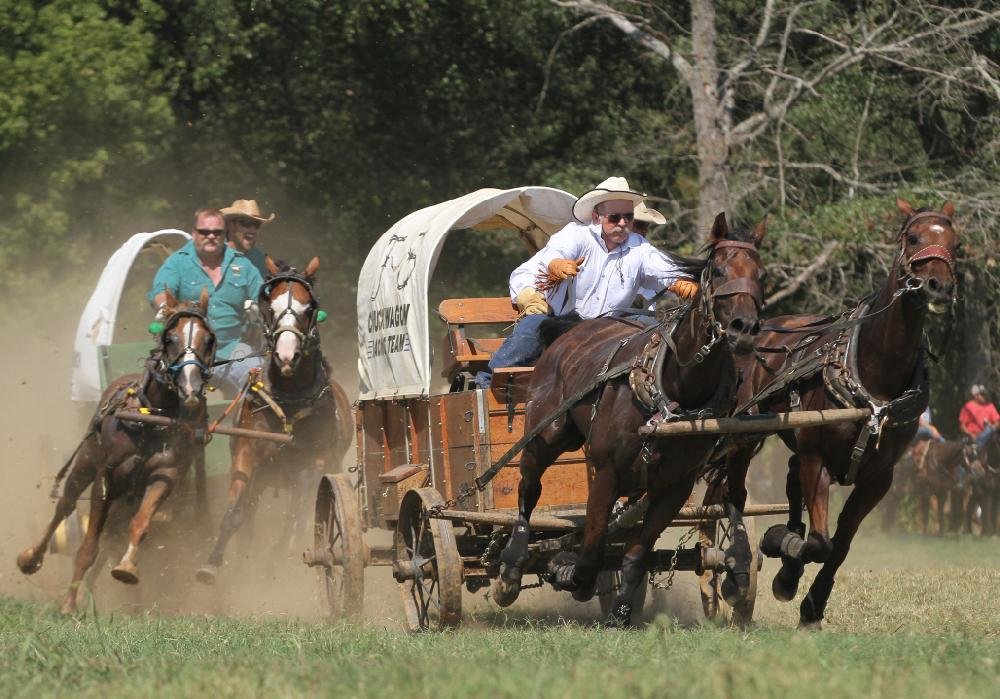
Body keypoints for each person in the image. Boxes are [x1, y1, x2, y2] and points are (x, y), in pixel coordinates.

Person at [474, 177, 698, 388]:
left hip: (610, 325)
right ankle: (486, 383)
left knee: (653, 329)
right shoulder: (577, 235)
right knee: (532, 328)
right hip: (563, 322)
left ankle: (655, 389)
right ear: (596, 217)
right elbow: (557, 251)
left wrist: (680, 282)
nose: (622, 223)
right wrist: (556, 264)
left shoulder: (639, 247)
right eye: (614, 217)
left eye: (628, 217)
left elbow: (664, 269)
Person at [149, 207, 265, 396]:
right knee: (162, 392)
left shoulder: (243, 264)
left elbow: (262, 294)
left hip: (232, 350)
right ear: (194, 233)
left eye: (217, 232)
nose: (211, 236)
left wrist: (260, 307)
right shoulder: (178, 262)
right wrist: (164, 305)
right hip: (185, 352)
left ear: (224, 233)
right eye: (204, 232)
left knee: (260, 384)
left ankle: (251, 424)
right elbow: (161, 290)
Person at [220, 199, 276, 279]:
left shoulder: (259, 259)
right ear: (231, 225)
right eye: (246, 223)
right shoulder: (213, 252)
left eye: (256, 225)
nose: (252, 230)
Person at [959, 384, 999, 450]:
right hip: (973, 435)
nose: (985, 396)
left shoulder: (990, 406)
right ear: (976, 396)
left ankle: (977, 446)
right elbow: (962, 425)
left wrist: (993, 426)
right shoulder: (968, 406)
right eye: (982, 394)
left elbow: (997, 422)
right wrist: (970, 434)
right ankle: (978, 444)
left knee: (990, 429)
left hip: (988, 434)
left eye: (985, 394)